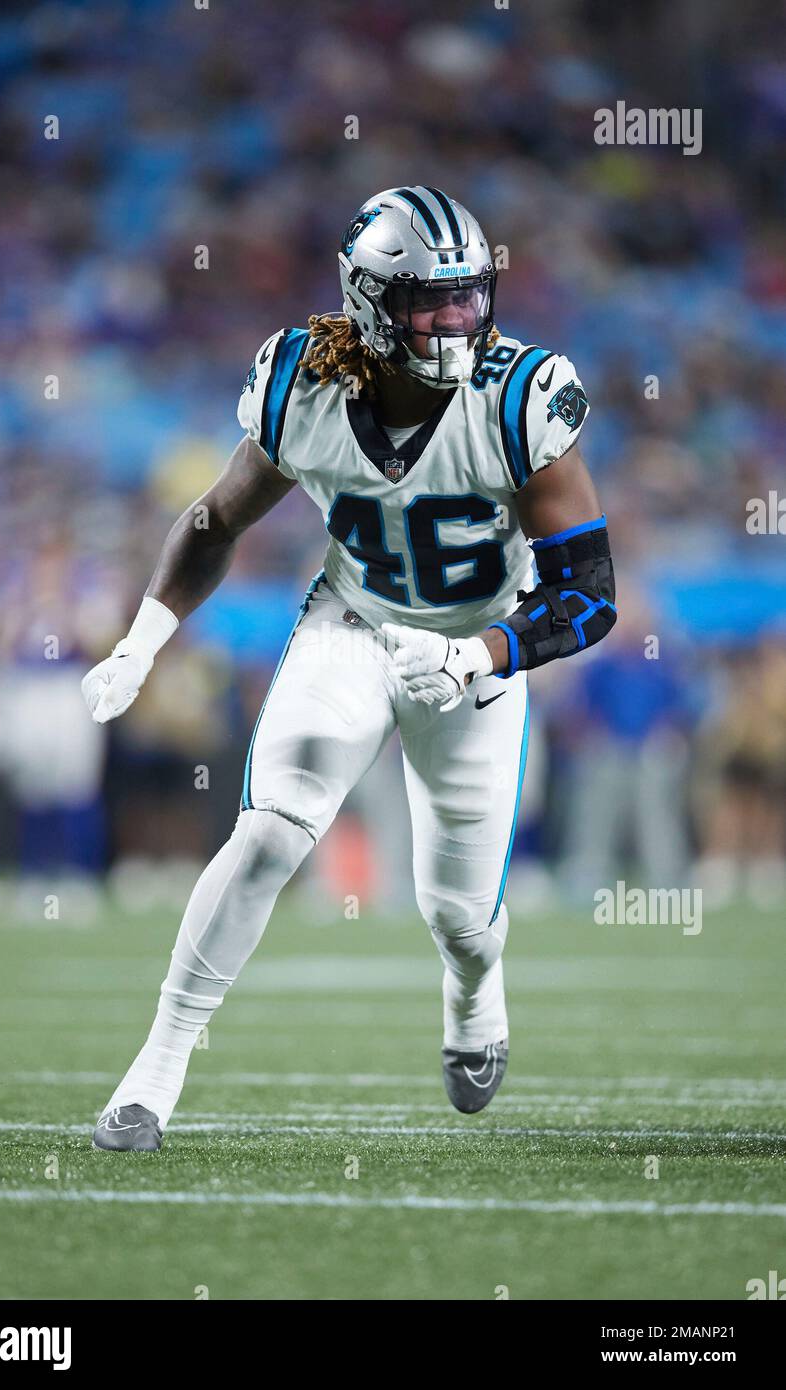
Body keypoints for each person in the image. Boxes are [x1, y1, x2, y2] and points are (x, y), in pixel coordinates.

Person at [82, 187, 616, 1150]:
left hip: (477, 644)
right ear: (370, 302)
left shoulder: (519, 396)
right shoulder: (303, 384)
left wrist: (475, 655)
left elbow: (589, 592)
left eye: (470, 296)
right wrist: (144, 638)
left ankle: (472, 988)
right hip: (352, 626)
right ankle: (155, 1069)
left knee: (456, 912)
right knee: (271, 833)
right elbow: (215, 520)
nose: (458, 320)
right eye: (431, 301)